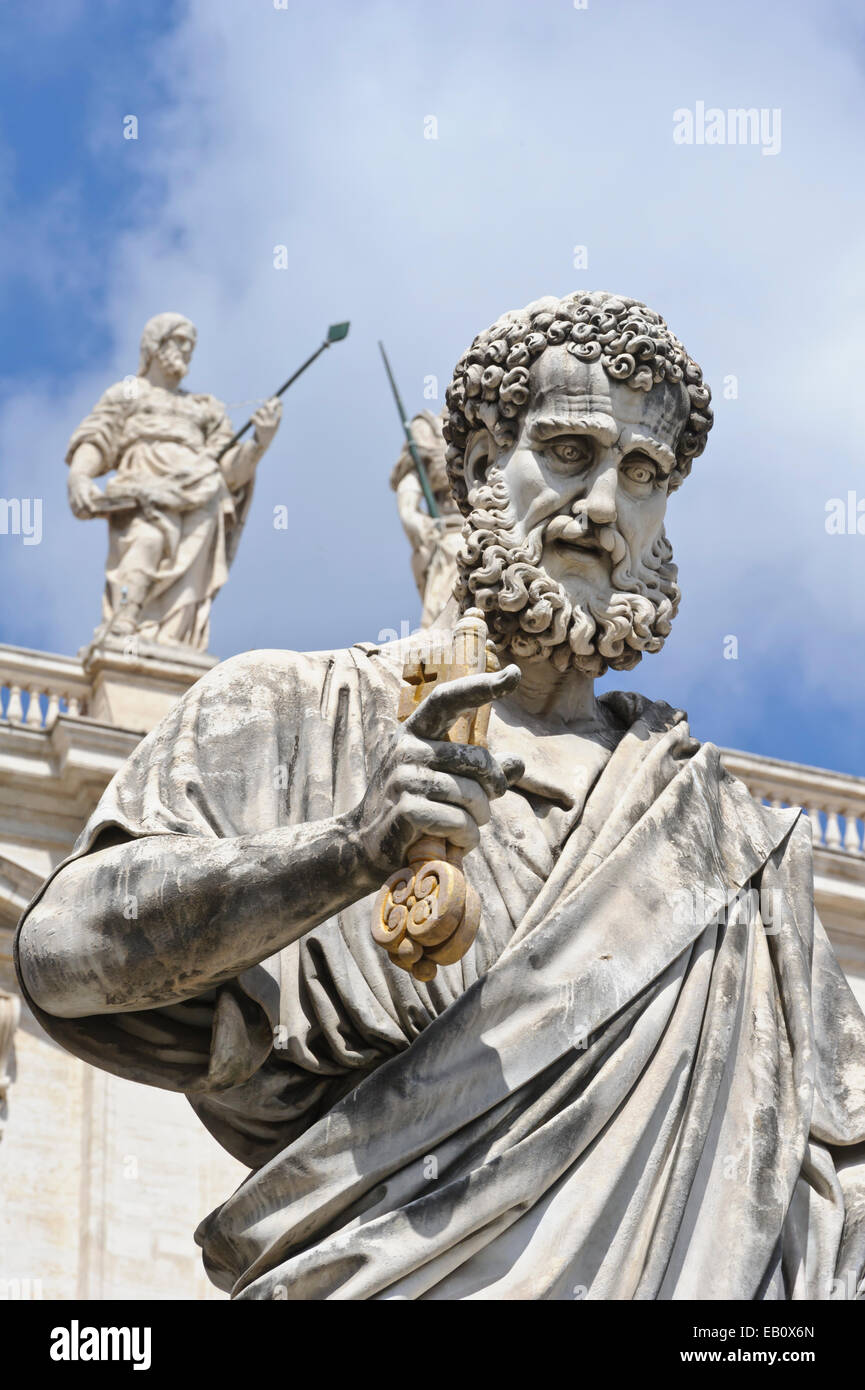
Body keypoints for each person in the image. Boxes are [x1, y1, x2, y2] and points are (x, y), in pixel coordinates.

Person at [17, 291, 865, 1300]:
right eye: (566, 453)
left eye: (642, 475)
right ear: (472, 472)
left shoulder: (730, 845)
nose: (601, 507)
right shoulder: (296, 709)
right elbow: (66, 957)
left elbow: (838, 1187)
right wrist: (345, 852)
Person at [66, 312, 282, 650]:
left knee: (190, 582)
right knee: (146, 542)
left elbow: (229, 470)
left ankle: (173, 644)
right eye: (179, 340)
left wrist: (259, 443)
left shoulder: (206, 407)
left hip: (201, 493)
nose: (187, 350)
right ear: (155, 344)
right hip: (144, 489)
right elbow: (97, 437)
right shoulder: (128, 392)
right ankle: (124, 625)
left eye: (191, 344)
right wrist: (79, 477)